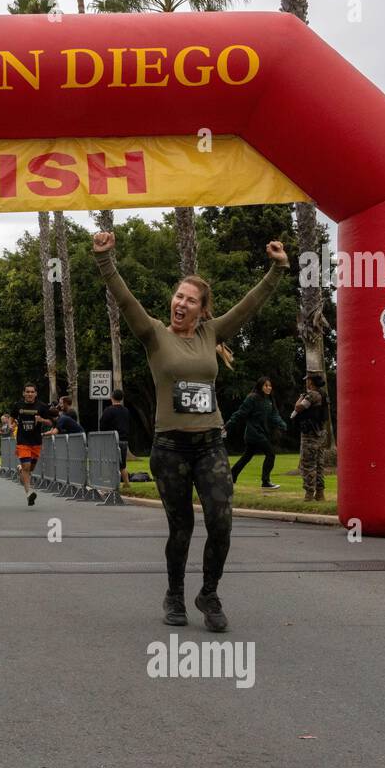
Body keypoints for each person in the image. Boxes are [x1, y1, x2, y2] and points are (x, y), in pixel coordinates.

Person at [93, 229, 288, 632]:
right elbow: (126, 300)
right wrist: (104, 259)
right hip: (170, 449)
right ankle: (175, 595)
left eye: (190, 300)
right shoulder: (154, 335)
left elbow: (249, 307)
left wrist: (276, 268)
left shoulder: (211, 333)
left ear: (202, 310)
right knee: (180, 527)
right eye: (178, 296)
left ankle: (209, 593)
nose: (181, 303)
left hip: (210, 445)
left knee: (221, 521)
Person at [225, 377, 287, 490]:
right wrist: (228, 425)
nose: (269, 388)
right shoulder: (252, 398)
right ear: (260, 386)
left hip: (261, 433)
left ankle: (230, 476)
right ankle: (265, 482)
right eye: (266, 385)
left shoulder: (269, 400)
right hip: (254, 433)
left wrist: (282, 424)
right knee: (270, 454)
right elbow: (241, 413)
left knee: (246, 457)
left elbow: (274, 415)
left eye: (270, 385)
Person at [11, 382, 56, 506]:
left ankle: (20, 470)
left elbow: (50, 423)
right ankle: (29, 493)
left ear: (35, 393)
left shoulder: (42, 406)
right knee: (26, 466)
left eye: (32, 392)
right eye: (27, 392)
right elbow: (12, 417)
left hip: (36, 441)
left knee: (30, 468)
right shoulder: (18, 405)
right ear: (23, 393)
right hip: (22, 440)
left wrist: (41, 420)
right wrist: (12, 425)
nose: (30, 394)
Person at [291, 373, 329, 503]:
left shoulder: (312, 395)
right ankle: (320, 494)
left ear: (311, 382)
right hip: (320, 434)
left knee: (308, 464)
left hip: (310, 435)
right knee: (319, 464)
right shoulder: (323, 395)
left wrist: (299, 398)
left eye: (307, 380)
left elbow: (299, 407)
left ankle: (308, 495)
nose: (306, 382)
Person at [98, 389, 131, 485]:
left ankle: (111, 483)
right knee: (122, 464)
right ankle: (127, 483)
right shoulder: (126, 410)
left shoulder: (108, 410)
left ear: (111, 397)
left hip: (111, 440)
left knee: (110, 462)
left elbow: (102, 425)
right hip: (124, 439)